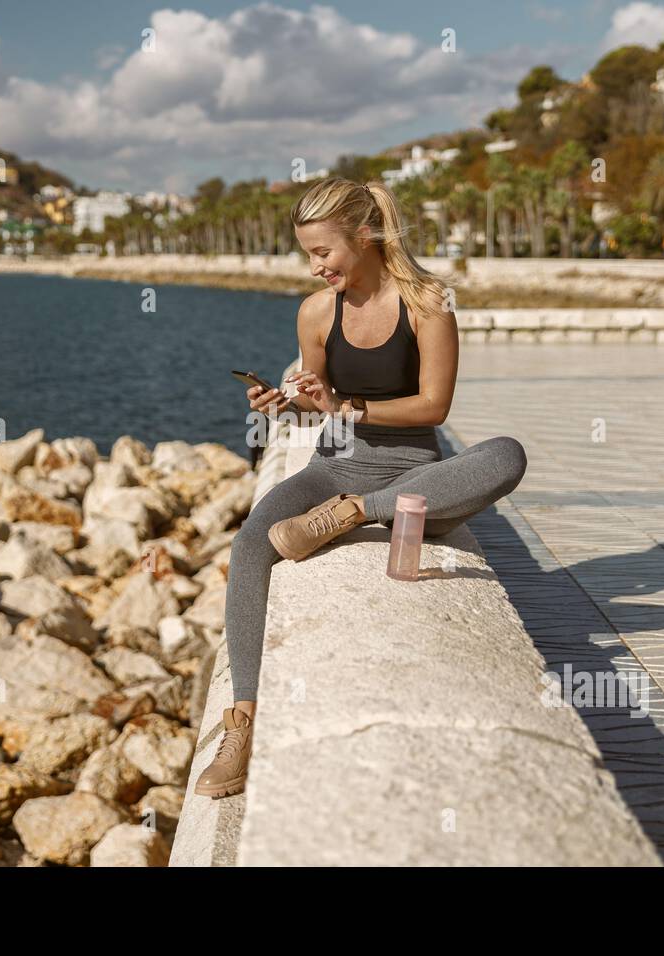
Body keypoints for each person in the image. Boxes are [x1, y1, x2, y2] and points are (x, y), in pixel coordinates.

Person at [194, 177, 528, 799]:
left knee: (506, 455)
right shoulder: (316, 313)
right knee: (250, 544)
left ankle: (355, 513)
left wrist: (351, 407)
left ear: (365, 234)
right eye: (307, 255)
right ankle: (243, 718)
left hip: (414, 481)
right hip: (332, 469)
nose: (315, 267)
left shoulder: (428, 303)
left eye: (323, 253)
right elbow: (314, 404)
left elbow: (433, 406)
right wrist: (281, 407)